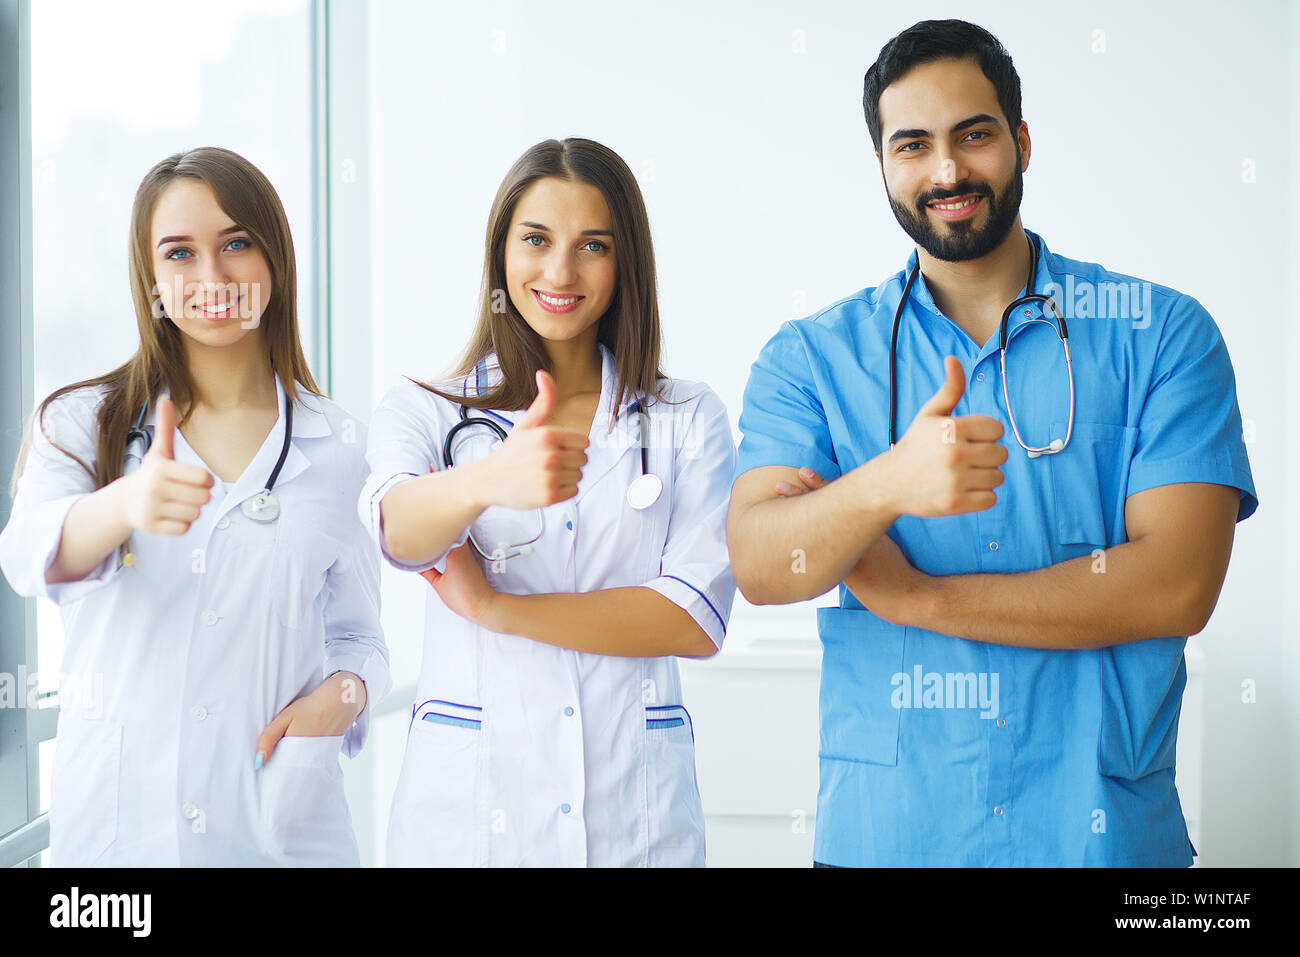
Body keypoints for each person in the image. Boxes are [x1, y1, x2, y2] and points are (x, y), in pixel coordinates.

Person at [726, 20, 1256, 867]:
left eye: (973, 135)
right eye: (914, 145)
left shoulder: (1162, 335)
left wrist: (917, 599)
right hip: (892, 835)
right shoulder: (812, 358)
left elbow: (1180, 585)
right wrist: (883, 486)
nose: (946, 171)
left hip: (1100, 837)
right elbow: (761, 563)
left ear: (1021, 141)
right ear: (882, 167)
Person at [0, 147, 389, 866]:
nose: (214, 279)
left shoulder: (338, 447)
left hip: (282, 833)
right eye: (180, 253)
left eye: (236, 243)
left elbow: (361, 635)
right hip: (119, 843)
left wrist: (344, 694)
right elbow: (30, 552)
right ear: (152, 279)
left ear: (274, 257)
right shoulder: (82, 421)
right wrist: (126, 501)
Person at [359, 137, 736, 867]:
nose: (560, 271)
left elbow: (692, 617)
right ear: (501, 252)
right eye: (536, 239)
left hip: (635, 820)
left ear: (625, 262)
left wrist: (498, 610)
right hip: (470, 821)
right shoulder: (427, 409)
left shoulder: (686, 415)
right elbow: (397, 532)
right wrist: (486, 480)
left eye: (592, 245)